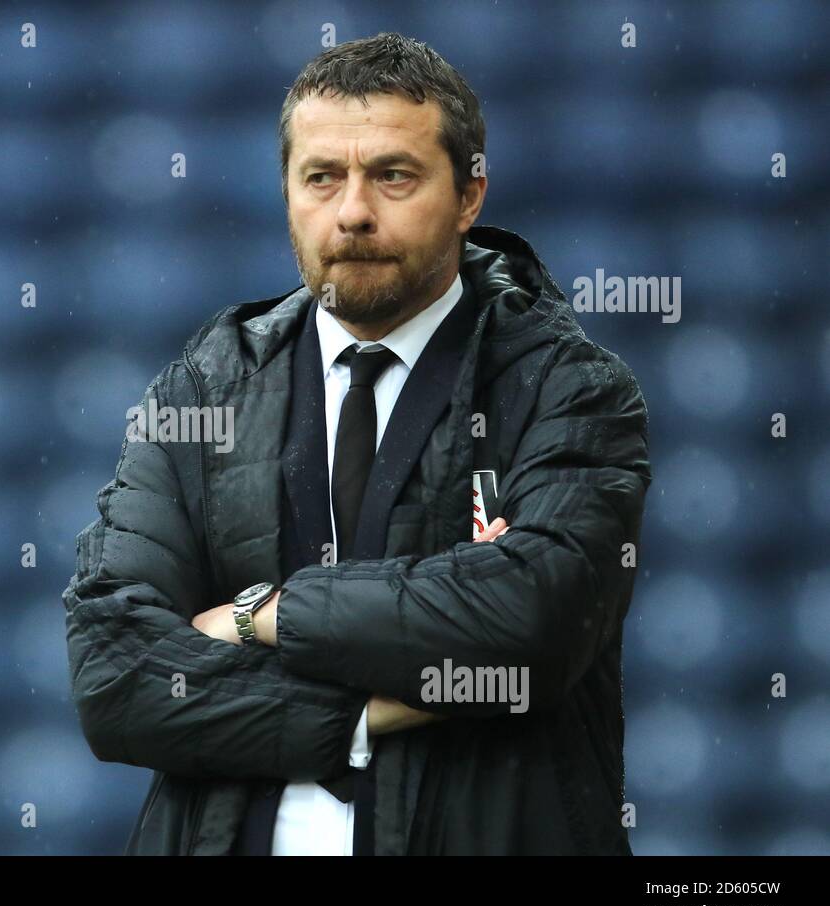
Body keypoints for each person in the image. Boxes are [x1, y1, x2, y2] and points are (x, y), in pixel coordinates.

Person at [63, 31, 651, 855]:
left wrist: (260, 615)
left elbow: (530, 620)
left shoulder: (568, 388)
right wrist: (359, 718)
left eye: (393, 175)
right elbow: (116, 678)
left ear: (471, 194)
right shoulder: (203, 390)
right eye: (322, 178)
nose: (353, 212)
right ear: (288, 194)